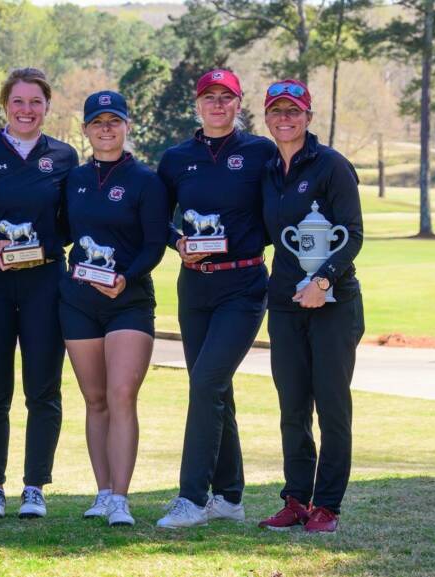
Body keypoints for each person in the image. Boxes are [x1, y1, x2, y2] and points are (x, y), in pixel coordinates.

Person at [154, 69, 278, 529]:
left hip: (244, 285)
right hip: (195, 286)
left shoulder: (260, 152)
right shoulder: (175, 159)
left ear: (239, 103)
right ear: (198, 104)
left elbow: (278, 208)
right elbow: (157, 217)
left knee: (205, 383)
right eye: (210, 96)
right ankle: (229, 497)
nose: (218, 104)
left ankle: (191, 497)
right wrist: (176, 242)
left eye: (226, 97)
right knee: (215, 387)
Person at [0, 68, 78, 519]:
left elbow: (72, 222)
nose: (26, 110)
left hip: (45, 282)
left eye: (35, 102)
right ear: (4, 105)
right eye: (18, 101)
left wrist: (44, 247)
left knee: (43, 388)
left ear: (47, 107)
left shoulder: (65, 158)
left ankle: (34, 487)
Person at [258, 79, 363, 534]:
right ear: (266, 116)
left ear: (308, 116)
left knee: (332, 406)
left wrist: (322, 281)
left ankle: (328, 506)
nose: (285, 118)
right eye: (277, 111)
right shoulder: (263, 168)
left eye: (293, 110)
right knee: (292, 406)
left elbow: (353, 234)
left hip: (334, 303)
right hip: (284, 303)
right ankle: (297, 499)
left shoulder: (332, 166)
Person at [61, 91, 168, 526]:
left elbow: (154, 243)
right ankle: (102, 491)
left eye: (114, 121)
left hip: (129, 300)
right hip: (80, 302)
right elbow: (61, 235)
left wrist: (127, 276)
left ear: (127, 127)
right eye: (97, 122)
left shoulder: (146, 180)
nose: (106, 129)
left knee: (123, 394)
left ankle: (121, 497)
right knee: (95, 398)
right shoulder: (74, 179)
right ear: (85, 130)